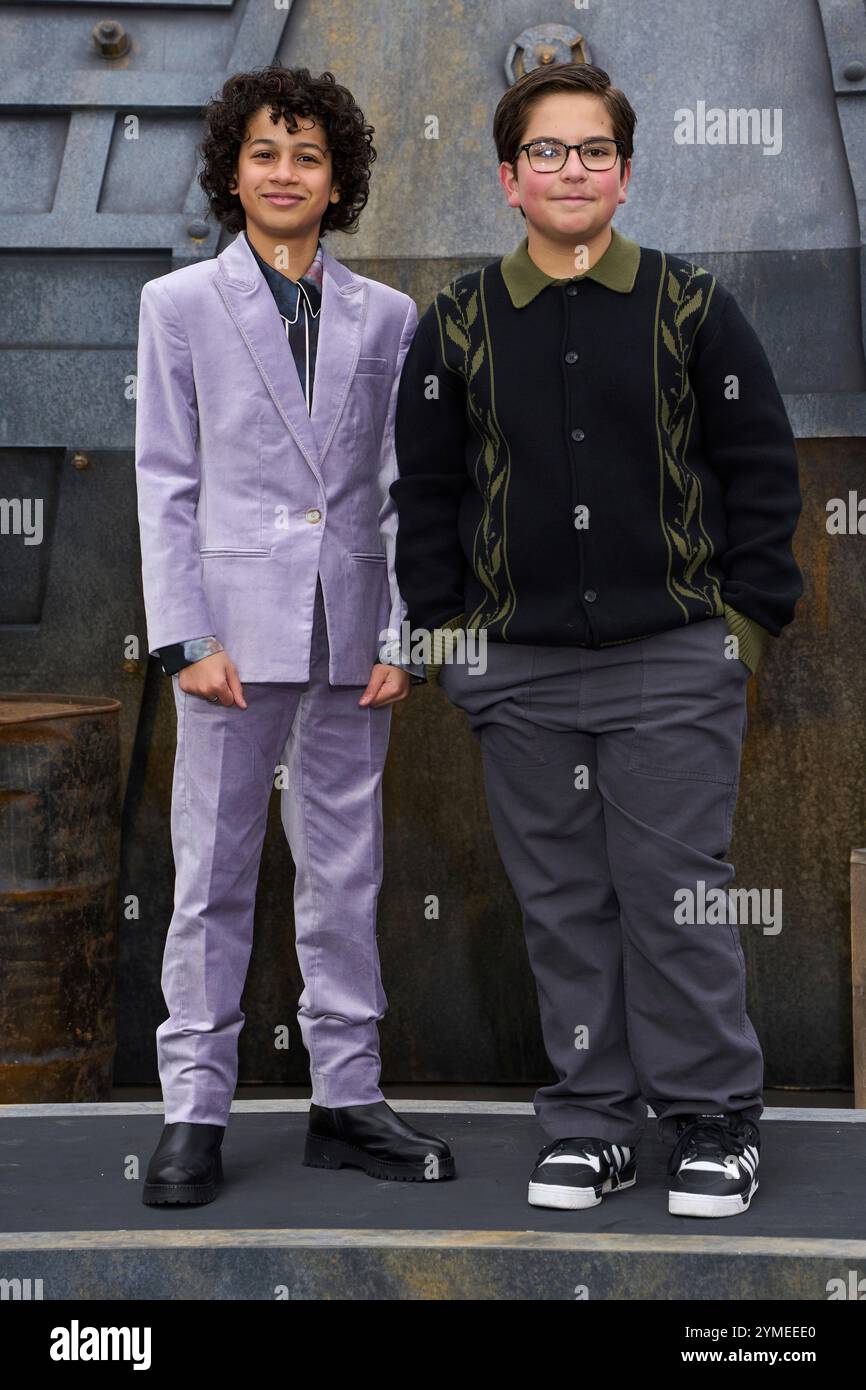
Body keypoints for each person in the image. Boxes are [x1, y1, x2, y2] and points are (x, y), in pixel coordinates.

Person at [390, 62, 802, 1218]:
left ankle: (714, 1119)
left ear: (621, 173)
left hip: (673, 659)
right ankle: (590, 1123)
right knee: (561, 902)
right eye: (544, 152)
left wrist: (740, 630)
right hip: (515, 675)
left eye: (590, 151)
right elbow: (423, 497)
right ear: (507, 179)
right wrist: (449, 643)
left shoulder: (690, 305)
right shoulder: (457, 323)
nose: (568, 170)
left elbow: (760, 475)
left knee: (674, 894)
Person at [135, 65, 453, 1205]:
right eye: (265, 152)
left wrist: (400, 634)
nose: (284, 172)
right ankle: (194, 1110)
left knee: (343, 873)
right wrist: (184, 639)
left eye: (307, 156)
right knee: (211, 876)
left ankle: (348, 1098)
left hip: (348, 638)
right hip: (225, 644)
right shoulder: (178, 306)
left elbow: (397, 484)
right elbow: (165, 482)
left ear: (337, 180)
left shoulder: (386, 315)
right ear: (232, 170)